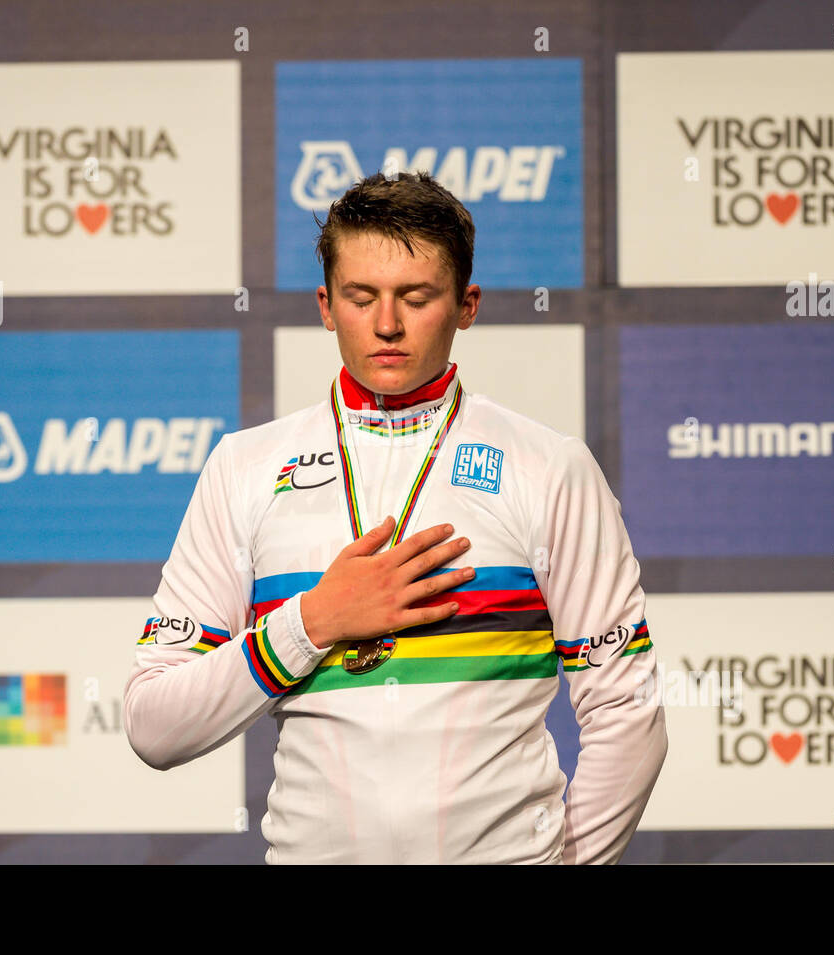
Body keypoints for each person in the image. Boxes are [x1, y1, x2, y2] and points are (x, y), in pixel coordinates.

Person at [124, 171, 667, 864]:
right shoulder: (245, 467)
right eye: (360, 297)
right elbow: (153, 725)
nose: (386, 323)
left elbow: (628, 713)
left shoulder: (550, 467)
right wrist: (313, 620)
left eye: (416, 297)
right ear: (325, 305)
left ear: (466, 305)